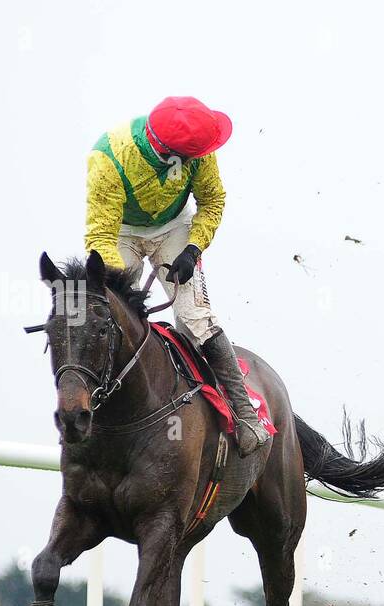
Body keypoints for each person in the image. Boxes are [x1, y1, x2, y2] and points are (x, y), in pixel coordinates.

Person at [84, 96, 266, 455]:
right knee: (109, 311)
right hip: (119, 232)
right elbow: (99, 236)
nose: (204, 156)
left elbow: (212, 201)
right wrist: (118, 286)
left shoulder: (197, 150)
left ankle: (245, 414)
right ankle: (87, 409)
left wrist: (194, 247)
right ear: (170, 151)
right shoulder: (107, 158)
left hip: (174, 228)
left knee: (194, 315)